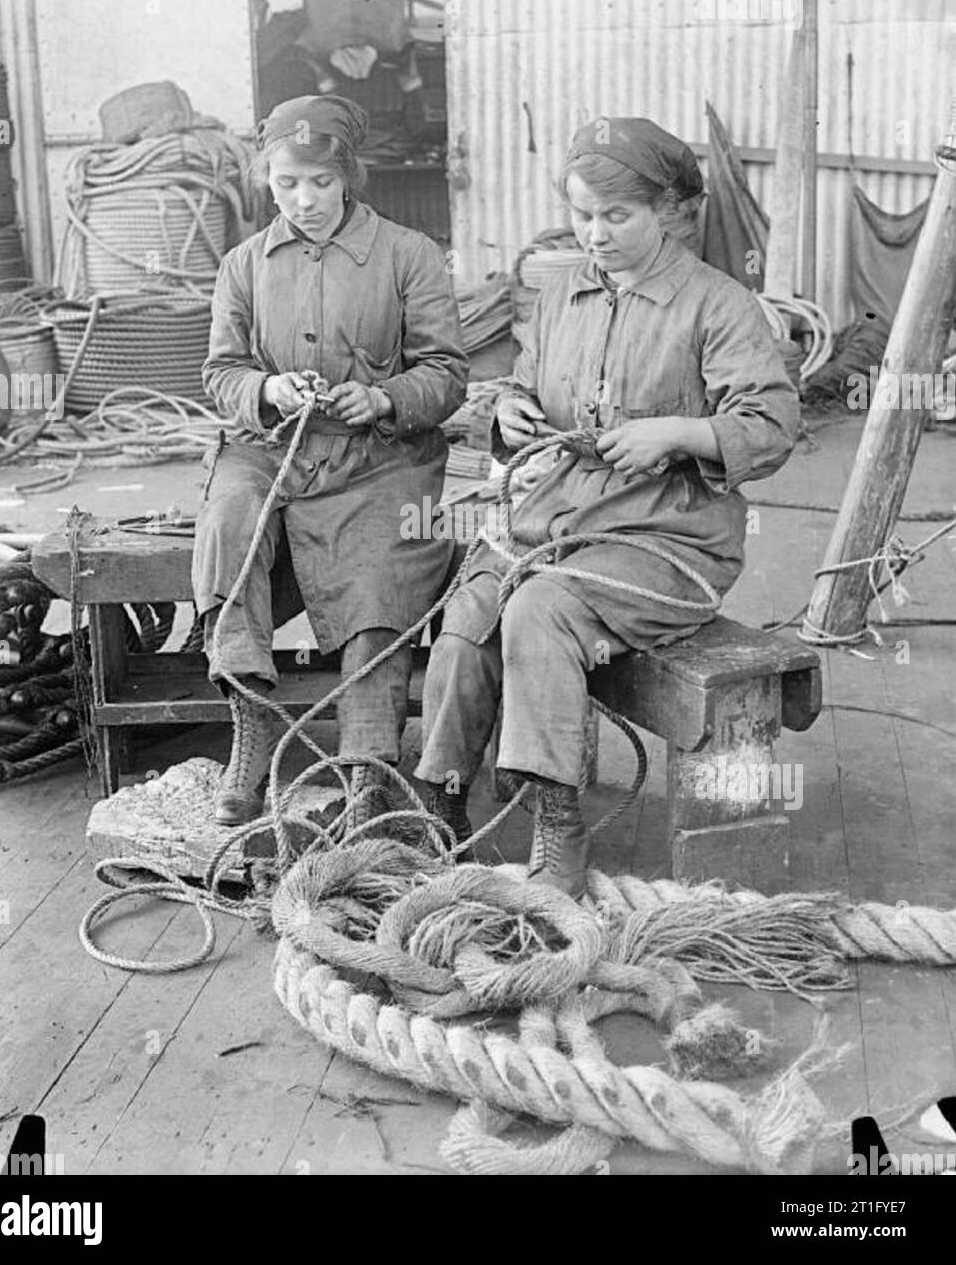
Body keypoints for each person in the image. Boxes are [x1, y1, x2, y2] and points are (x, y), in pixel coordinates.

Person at [414, 116, 799, 896]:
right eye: (583, 215)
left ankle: (559, 828)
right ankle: (440, 800)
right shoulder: (563, 296)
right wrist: (511, 412)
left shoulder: (718, 306)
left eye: (615, 216)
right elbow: (529, 381)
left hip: (669, 541)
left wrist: (677, 433)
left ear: (671, 213)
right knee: (468, 616)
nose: (595, 234)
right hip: (558, 521)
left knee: (539, 611)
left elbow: (773, 425)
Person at [193, 94, 468, 826]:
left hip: (381, 458)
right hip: (270, 449)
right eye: (287, 183)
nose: (304, 200)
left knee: (382, 564)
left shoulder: (410, 256)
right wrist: (268, 387)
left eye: (320, 181)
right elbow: (220, 375)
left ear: (349, 175)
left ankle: (368, 767)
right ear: (267, 182)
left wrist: (382, 400)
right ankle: (251, 734)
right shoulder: (243, 265)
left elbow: (445, 374)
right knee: (229, 526)